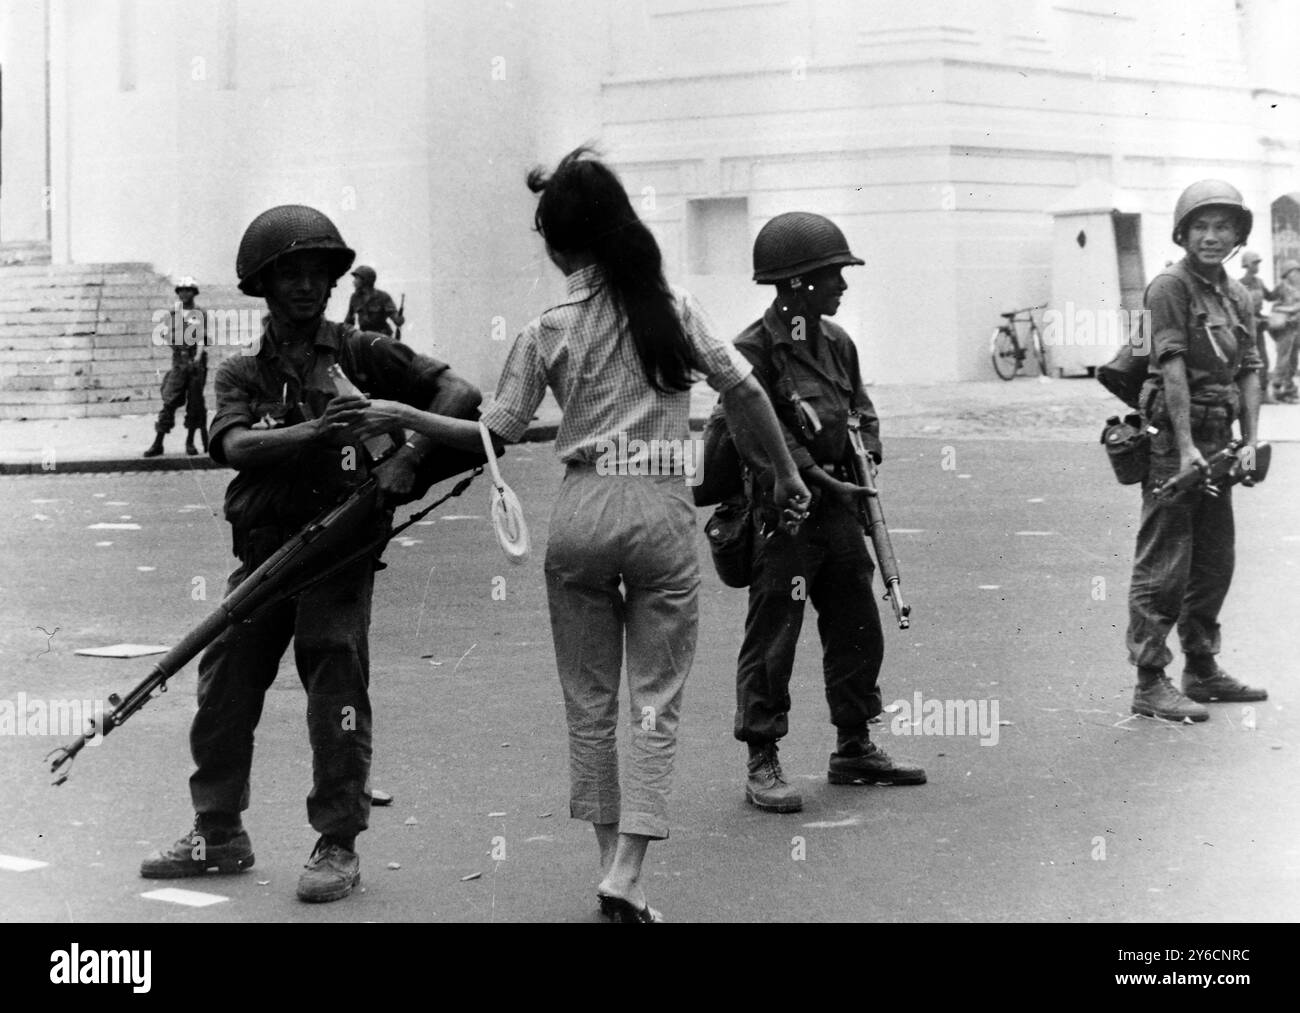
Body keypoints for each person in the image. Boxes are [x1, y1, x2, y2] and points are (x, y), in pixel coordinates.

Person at [380, 148, 810, 922]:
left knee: (589, 704)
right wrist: (784, 474)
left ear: (558, 245)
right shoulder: (671, 311)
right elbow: (742, 391)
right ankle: (629, 871)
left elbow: (494, 432)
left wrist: (406, 415)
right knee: (654, 703)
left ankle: (610, 869)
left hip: (579, 514)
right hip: (657, 509)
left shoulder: (547, 328)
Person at [139, 205, 480, 903]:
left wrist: (409, 455)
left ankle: (337, 842)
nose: (304, 286)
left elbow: (462, 393)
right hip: (265, 555)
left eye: (317, 274)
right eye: (289, 274)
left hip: (338, 553)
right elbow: (234, 445)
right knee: (224, 683)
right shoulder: (240, 371)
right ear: (264, 286)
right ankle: (218, 829)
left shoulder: (363, 353)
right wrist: (320, 434)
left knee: (336, 694)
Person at [727, 211, 925, 815]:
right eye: (833, 274)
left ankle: (854, 744)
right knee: (774, 636)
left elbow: (861, 408)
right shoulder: (751, 351)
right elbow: (755, 437)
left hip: (841, 507)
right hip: (785, 514)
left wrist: (867, 447)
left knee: (857, 623)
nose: (843, 284)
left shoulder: (838, 344)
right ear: (796, 283)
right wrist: (809, 472)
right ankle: (762, 758)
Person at [1126, 180, 1266, 721]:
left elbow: (1251, 368)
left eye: (1222, 227)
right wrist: (1184, 447)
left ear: (1237, 234)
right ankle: (1149, 679)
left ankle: (1202, 667)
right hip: (1173, 443)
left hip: (1218, 441)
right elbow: (1172, 368)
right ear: (1183, 232)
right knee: (1165, 562)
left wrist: (1251, 442)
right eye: (1201, 226)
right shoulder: (1170, 287)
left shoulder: (1237, 294)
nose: (1212, 237)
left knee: (1213, 561)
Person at [144, 277, 208, 457]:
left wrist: (196, 356)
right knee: (169, 400)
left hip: (196, 362)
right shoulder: (174, 313)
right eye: (181, 290)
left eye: (188, 290)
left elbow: (203, 337)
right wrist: (176, 347)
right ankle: (158, 443)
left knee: (194, 404)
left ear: (194, 292)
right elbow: (165, 334)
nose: (184, 293)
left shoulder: (199, 312)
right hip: (179, 363)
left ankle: (190, 442)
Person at [1238, 251, 1276, 404]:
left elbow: (1270, 296)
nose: (1257, 266)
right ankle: (1246, 396)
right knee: (1247, 360)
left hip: (1259, 326)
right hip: (1246, 327)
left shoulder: (1259, 282)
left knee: (1264, 360)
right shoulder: (1240, 283)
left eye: (1258, 263)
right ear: (1246, 264)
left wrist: (1284, 284)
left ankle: (1264, 393)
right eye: (1254, 263)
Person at [1268, 260, 1300, 404]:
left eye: (1297, 271)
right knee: (1283, 359)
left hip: (1296, 327)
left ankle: (1289, 389)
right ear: (1287, 274)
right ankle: (1276, 388)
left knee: (1293, 360)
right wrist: (1291, 309)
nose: (1297, 274)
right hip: (1285, 328)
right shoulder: (1282, 287)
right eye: (1294, 271)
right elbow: (1274, 305)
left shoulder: (1298, 286)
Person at [346, 265, 405, 338]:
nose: (354, 281)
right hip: (364, 336)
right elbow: (348, 321)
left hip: (381, 336)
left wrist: (399, 319)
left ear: (365, 280)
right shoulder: (355, 298)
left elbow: (394, 315)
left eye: (357, 278)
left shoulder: (383, 297)